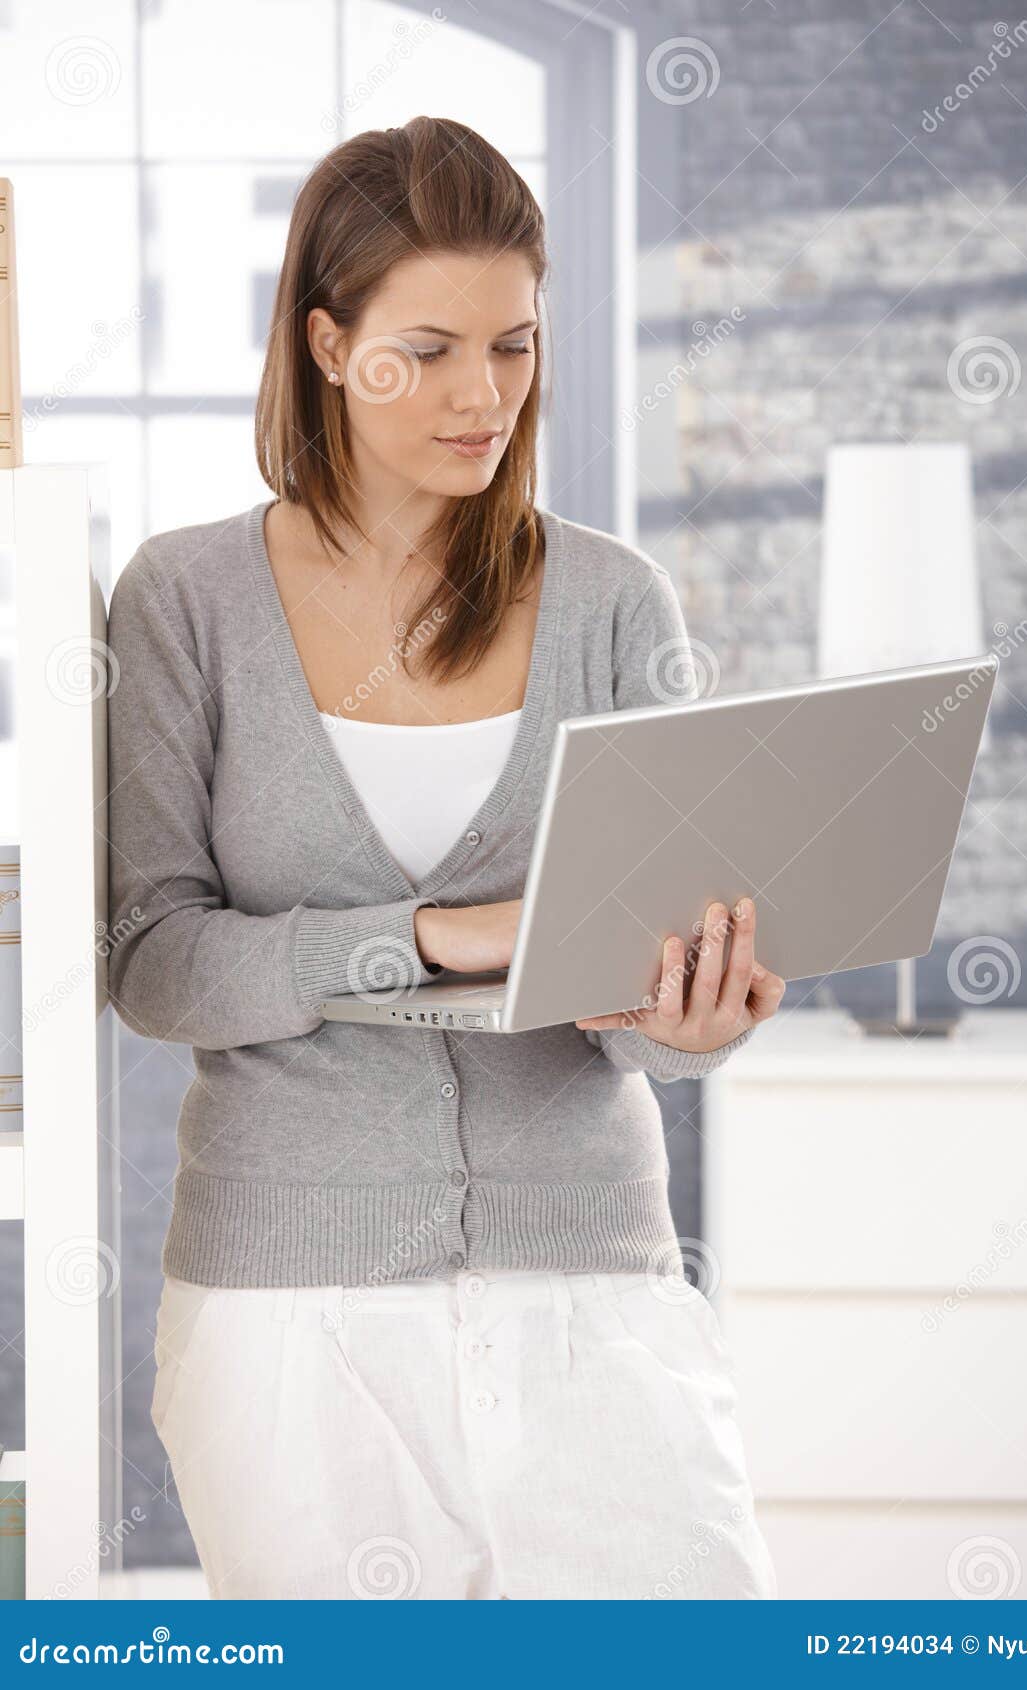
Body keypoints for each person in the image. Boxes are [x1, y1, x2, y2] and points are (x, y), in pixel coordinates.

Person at [107, 115, 785, 1601]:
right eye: (428, 350)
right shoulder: (186, 600)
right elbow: (152, 963)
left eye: (515, 346)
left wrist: (694, 1023)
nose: (484, 396)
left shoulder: (613, 599)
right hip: (292, 1311)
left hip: (592, 1286)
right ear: (329, 344)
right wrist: (425, 935)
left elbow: (646, 995)